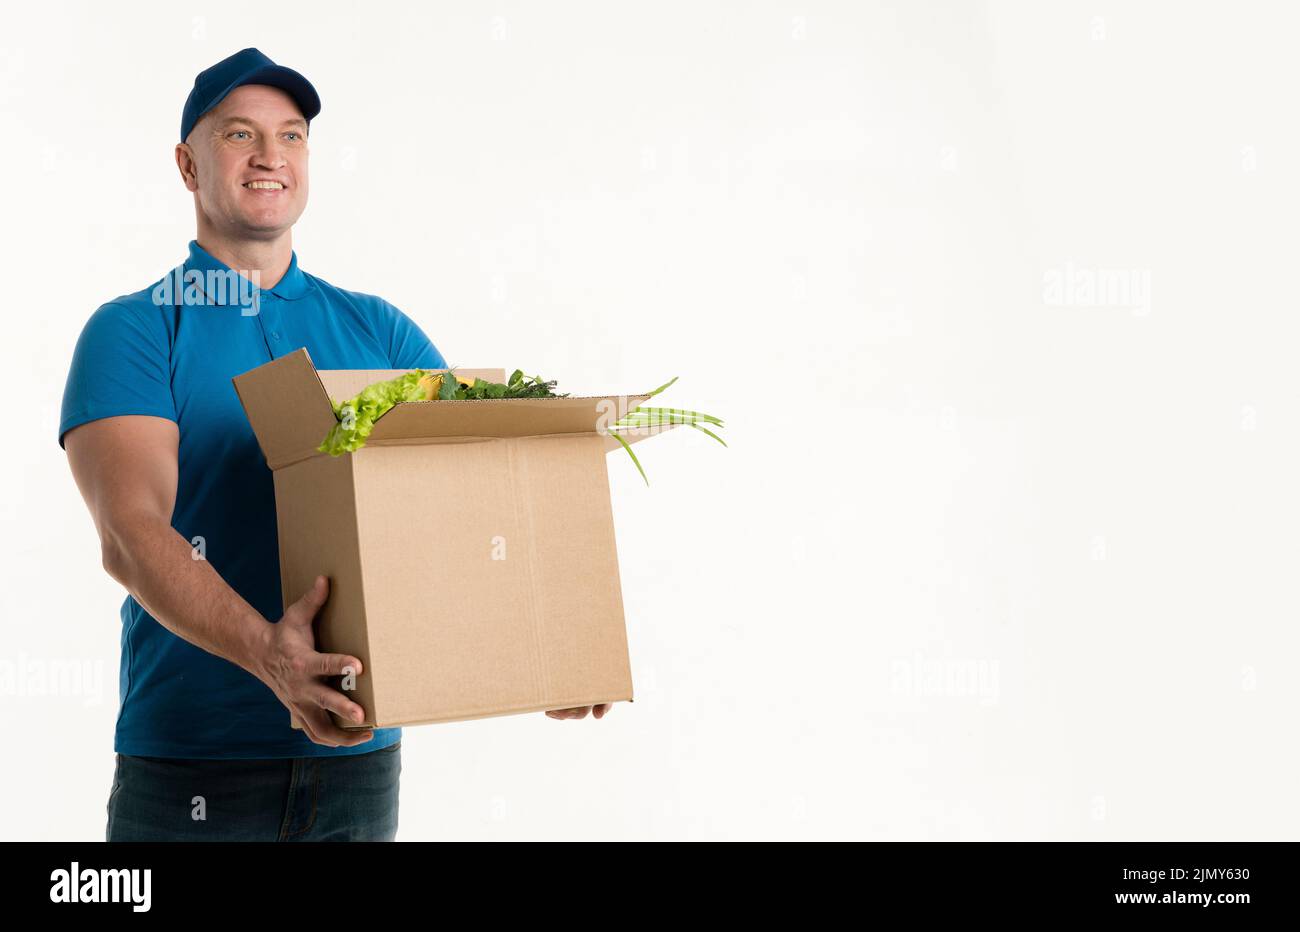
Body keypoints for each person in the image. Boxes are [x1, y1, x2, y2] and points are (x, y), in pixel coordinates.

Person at [60, 47, 609, 843]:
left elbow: (469, 496)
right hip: (194, 768)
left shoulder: (377, 330)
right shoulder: (137, 330)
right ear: (188, 165)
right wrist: (270, 658)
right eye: (239, 135)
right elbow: (131, 535)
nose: (269, 158)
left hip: (358, 764)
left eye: (290, 137)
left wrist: (549, 640)